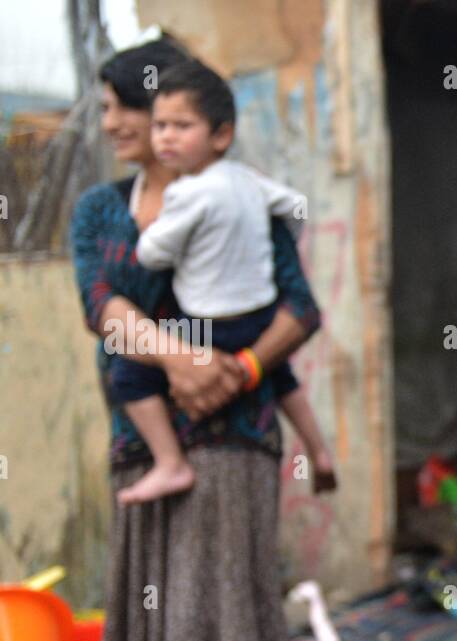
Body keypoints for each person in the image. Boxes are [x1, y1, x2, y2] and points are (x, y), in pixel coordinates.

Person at [69, 37, 319, 641]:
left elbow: (299, 309)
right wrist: (183, 363)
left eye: (122, 107)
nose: (112, 123)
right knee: (151, 601)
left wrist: (238, 372)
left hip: (234, 431)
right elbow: (102, 306)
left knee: (215, 600)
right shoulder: (101, 210)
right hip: (143, 432)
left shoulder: (236, 198)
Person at [109, 58, 336, 505]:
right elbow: (294, 208)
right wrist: (269, 243)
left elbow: (151, 255)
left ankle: (169, 462)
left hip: (207, 327)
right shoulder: (249, 181)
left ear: (221, 135)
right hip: (259, 317)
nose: (166, 137)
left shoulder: (185, 193)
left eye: (181, 126)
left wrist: (151, 231)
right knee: (281, 373)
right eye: (160, 126)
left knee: (127, 368)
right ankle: (319, 450)